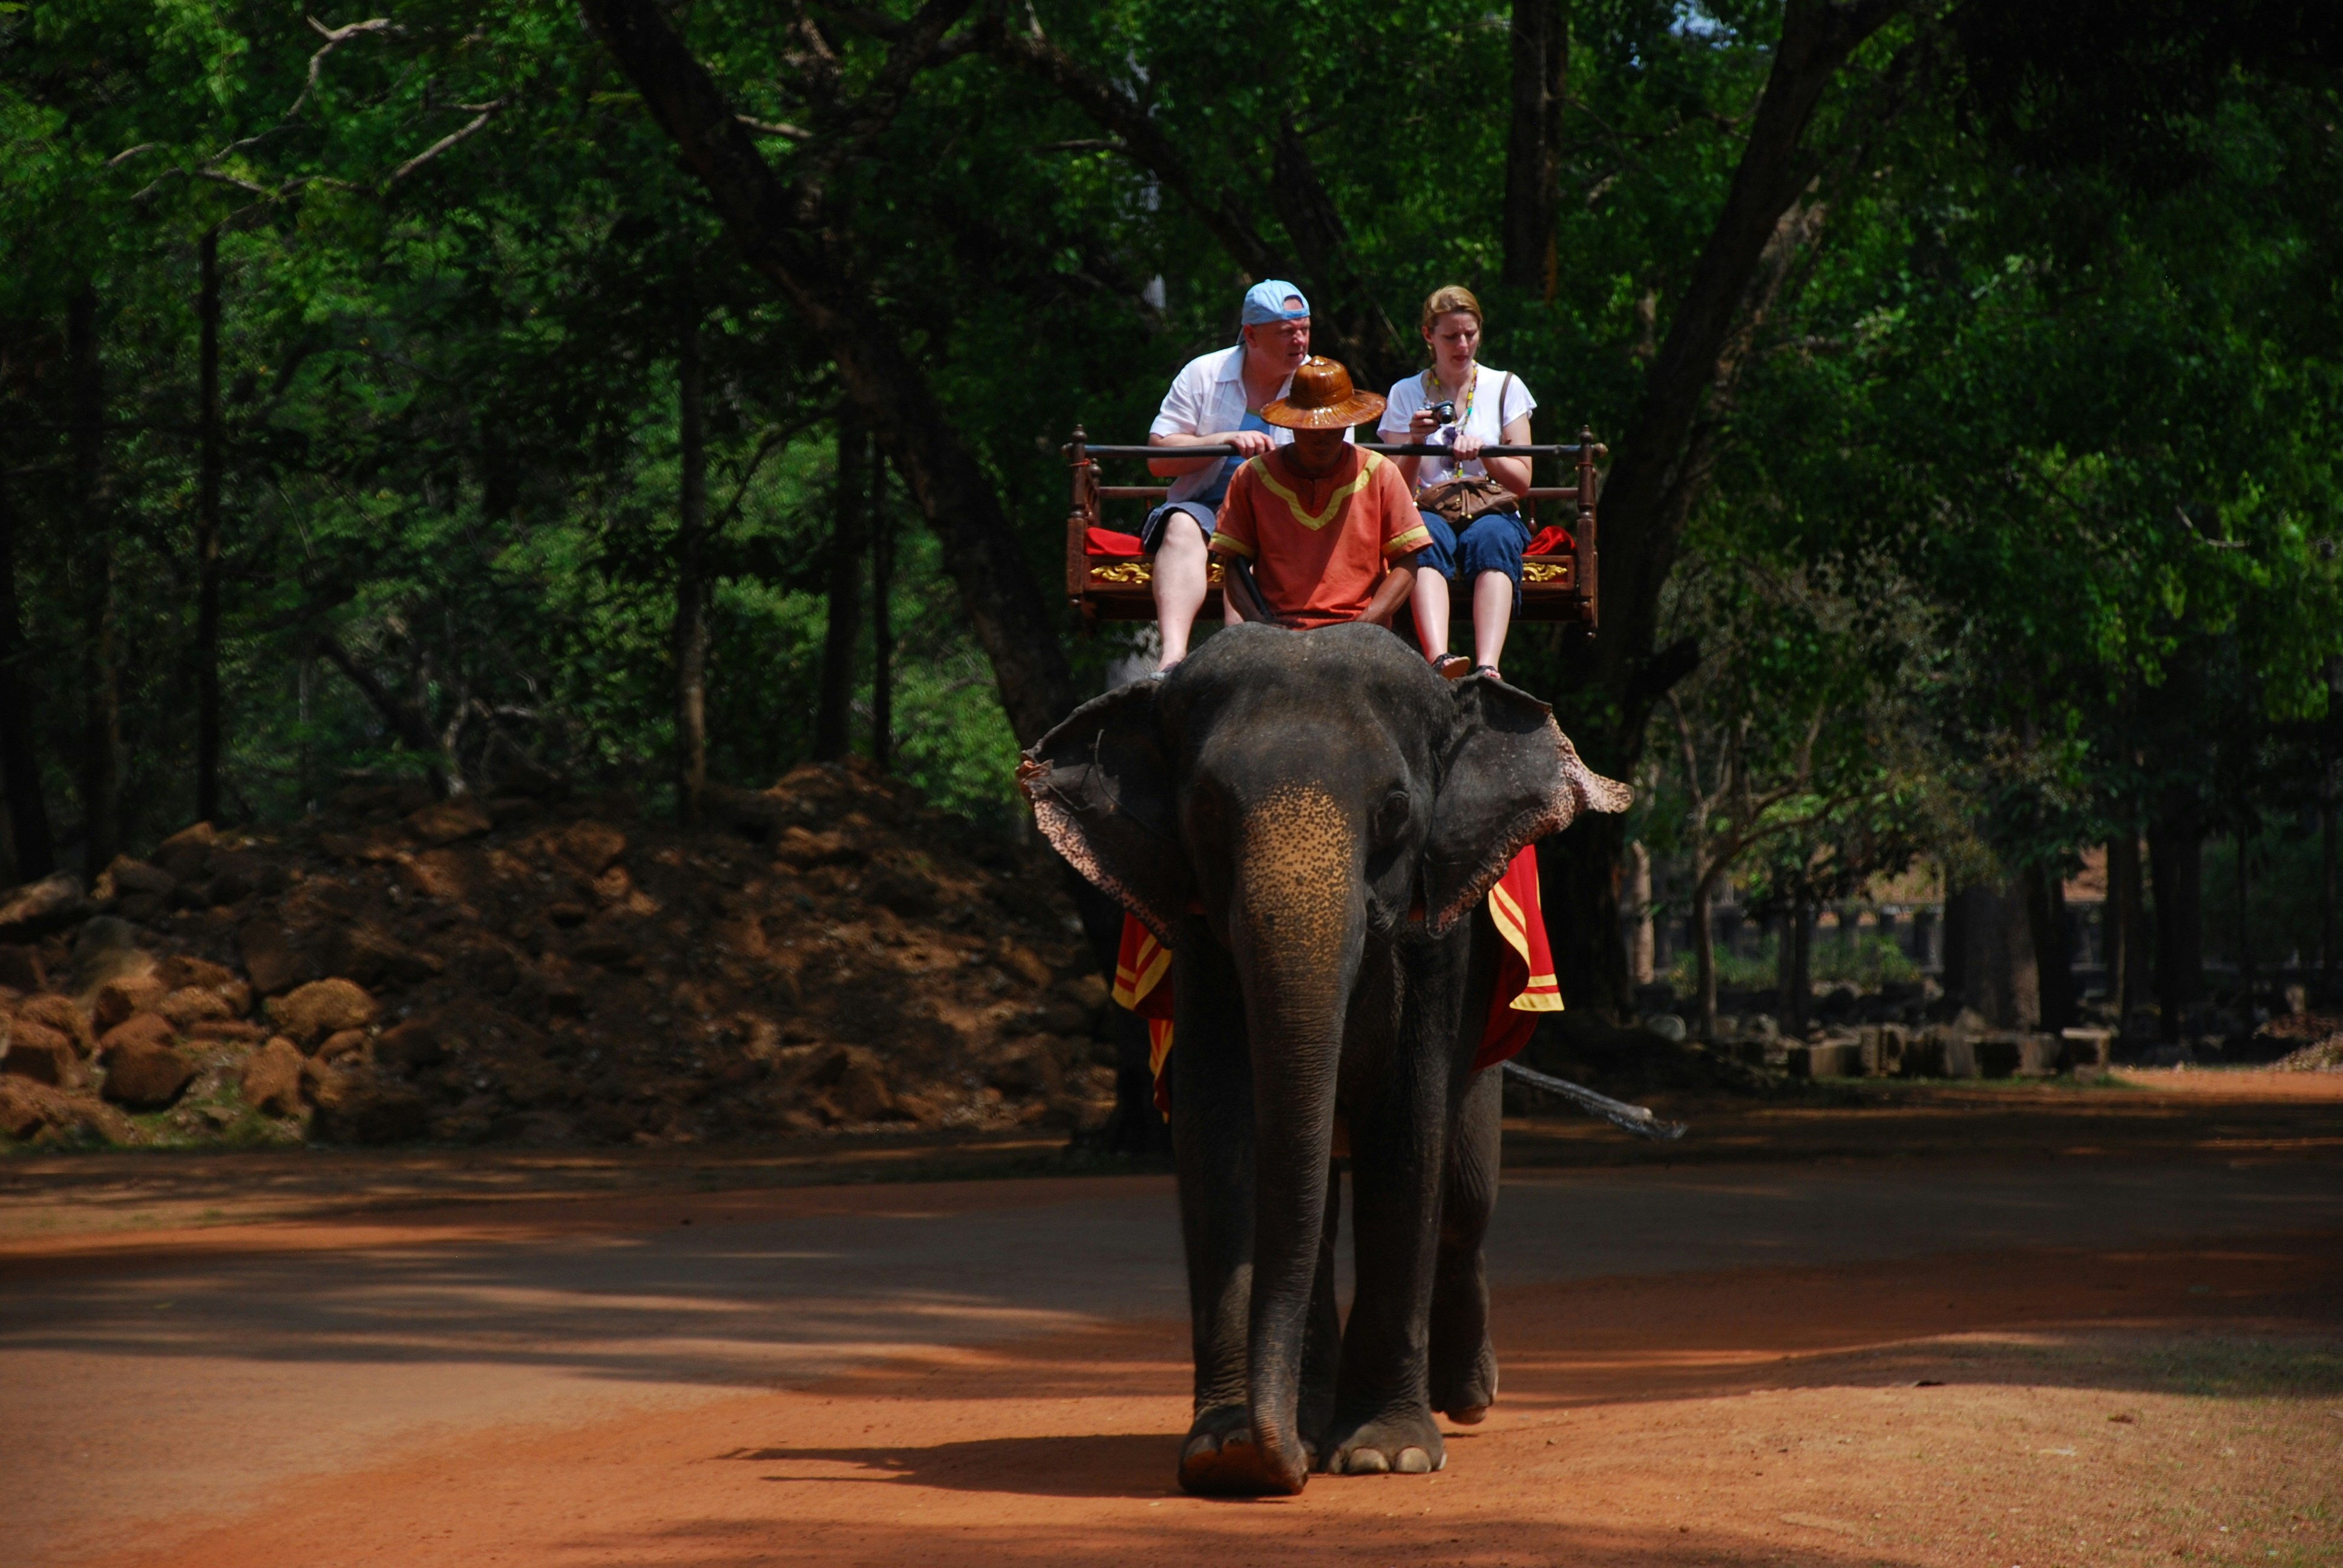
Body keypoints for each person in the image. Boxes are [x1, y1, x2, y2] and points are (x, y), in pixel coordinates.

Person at [1141, 281, 1329, 670]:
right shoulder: (1203, 374)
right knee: (1178, 526)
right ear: (1251, 335)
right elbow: (1159, 458)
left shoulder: (1322, 382)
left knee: (1261, 537)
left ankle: (1240, 658)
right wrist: (1223, 439)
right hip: (1204, 508)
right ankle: (1173, 657)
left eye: (1305, 329)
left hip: (1282, 515)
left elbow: (1337, 465)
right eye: (1286, 332)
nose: (1300, 341)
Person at [1379, 286, 1538, 678]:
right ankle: (1440, 660)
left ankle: (1488, 666)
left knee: (1494, 539)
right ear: (1428, 336)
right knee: (1421, 536)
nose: (1463, 345)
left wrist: (1485, 452)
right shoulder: (1405, 393)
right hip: (1430, 506)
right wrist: (1416, 442)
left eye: (1470, 334)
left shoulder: (1505, 387)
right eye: (1451, 336)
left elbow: (1521, 482)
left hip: (1491, 508)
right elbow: (1395, 490)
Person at [1208, 357, 1427, 632]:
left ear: (1348, 423)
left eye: (1333, 427)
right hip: (1277, 629)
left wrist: (1366, 623)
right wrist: (1259, 624)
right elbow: (1234, 563)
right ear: (1293, 424)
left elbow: (1407, 563)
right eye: (1312, 428)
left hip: (1362, 631)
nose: (1322, 436)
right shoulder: (1252, 476)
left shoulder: (1381, 472)